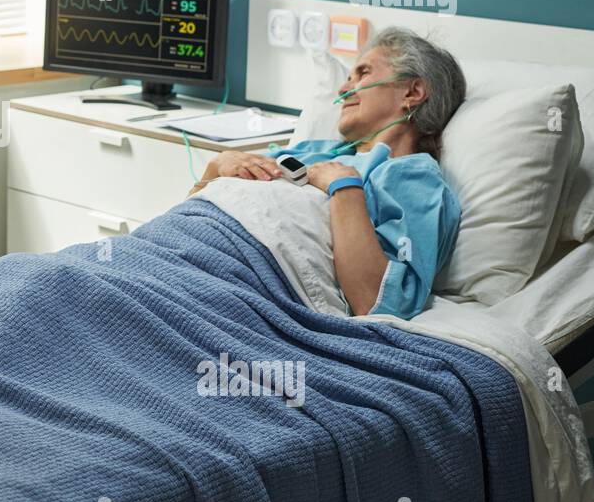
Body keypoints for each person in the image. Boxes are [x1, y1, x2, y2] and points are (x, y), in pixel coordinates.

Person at [189, 27, 467, 319]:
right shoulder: (313, 150)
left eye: (363, 73)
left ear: (412, 92)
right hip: (182, 247)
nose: (343, 89)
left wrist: (345, 189)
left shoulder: (414, 179)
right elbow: (192, 210)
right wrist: (216, 167)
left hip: (234, 281)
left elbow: (382, 304)